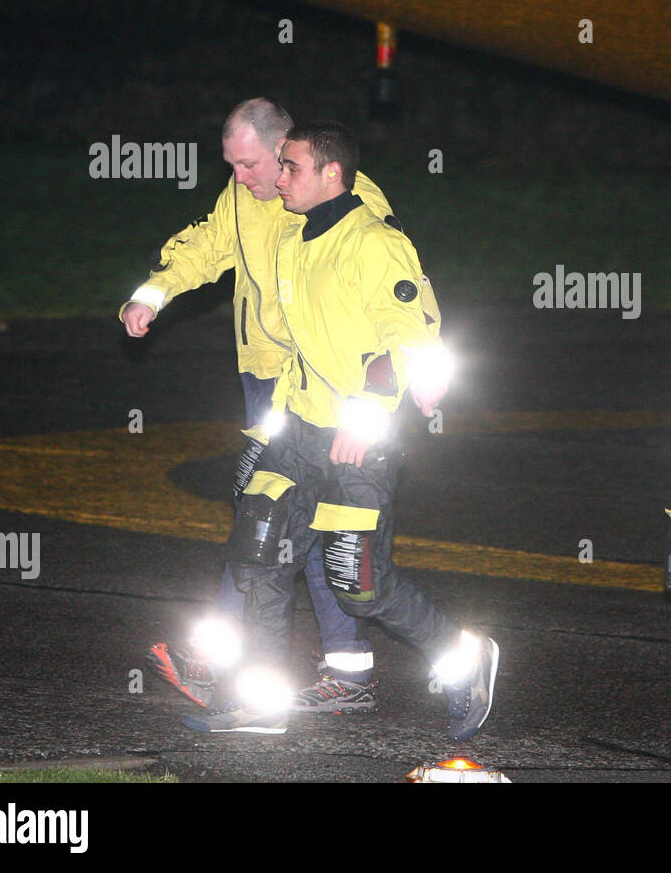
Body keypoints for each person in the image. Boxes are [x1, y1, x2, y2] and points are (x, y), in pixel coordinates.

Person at [183, 120, 498, 741]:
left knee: (359, 586)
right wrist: (270, 433)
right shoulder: (296, 238)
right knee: (263, 558)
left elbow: (413, 341)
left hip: (360, 443)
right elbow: (300, 349)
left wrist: (368, 415)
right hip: (298, 436)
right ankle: (263, 700)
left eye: (290, 167)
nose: (278, 178)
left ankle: (465, 658)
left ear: (332, 173)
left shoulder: (374, 244)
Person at [121, 99, 391, 715]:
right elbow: (209, 244)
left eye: (249, 165)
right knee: (274, 520)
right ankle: (292, 664)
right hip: (265, 380)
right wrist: (153, 293)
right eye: (232, 166)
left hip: (315, 392)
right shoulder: (248, 191)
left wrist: (364, 405)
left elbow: (386, 318)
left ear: (286, 153)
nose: (239, 178)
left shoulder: (346, 203)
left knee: (290, 524)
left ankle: (280, 664)